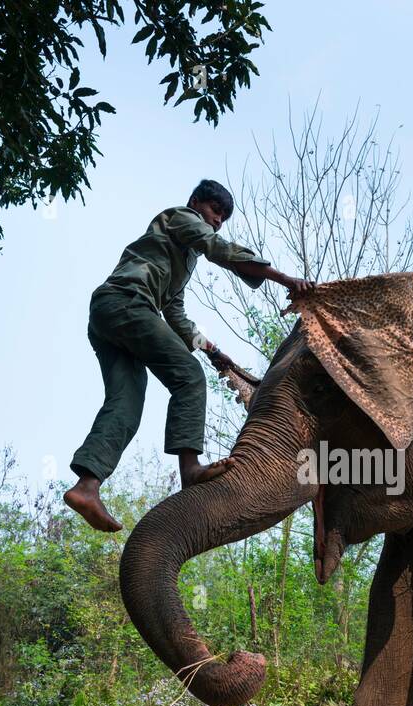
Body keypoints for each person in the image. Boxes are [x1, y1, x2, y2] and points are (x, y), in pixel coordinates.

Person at [64, 179, 314, 532]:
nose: (217, 222)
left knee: (126, 403)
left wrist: (214, 351)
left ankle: (86, 487)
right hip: (126, 303)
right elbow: (218, 248)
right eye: (215, 212)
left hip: (113, 315)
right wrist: (285, 279)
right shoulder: (178, 218)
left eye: (224, 218)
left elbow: (176, 315)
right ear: (197, 202)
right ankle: (190, 469)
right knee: (188, 378)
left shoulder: (182, 260)